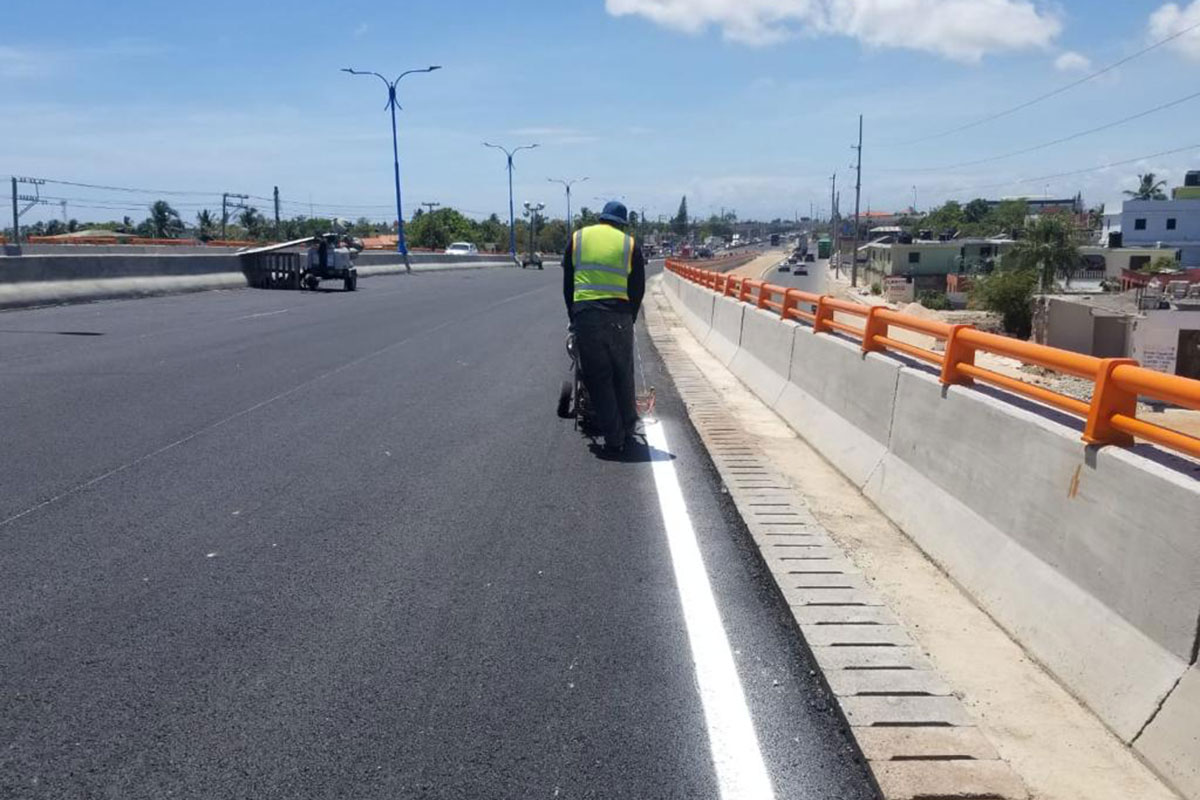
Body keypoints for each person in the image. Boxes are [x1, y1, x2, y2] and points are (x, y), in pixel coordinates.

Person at [562, 200, 646, 453]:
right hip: (619, 314)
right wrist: (629, 316)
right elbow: (638, 287)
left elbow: (568, 284)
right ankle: (629, 428)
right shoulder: (629, 244)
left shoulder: (578, 239)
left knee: (598, 378)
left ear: (601, 218)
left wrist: (574, 315)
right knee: (623, 372)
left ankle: (614, 438)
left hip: (587, 314)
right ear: (621, 224)